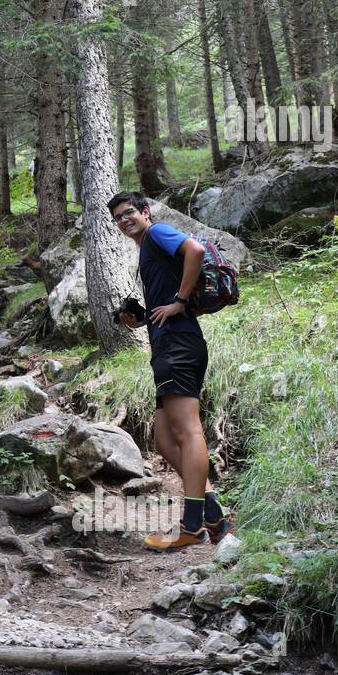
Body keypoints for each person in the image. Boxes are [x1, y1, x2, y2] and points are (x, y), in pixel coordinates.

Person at [108, 191, 233, 550]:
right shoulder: (147, 247)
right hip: (168, 345)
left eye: (128, 212)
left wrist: (179, 302)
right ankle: (214, 515)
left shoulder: (157, 233)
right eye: (117, 217)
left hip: (179, 343)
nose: (123, 220)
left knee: (189, 431)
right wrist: (140, 317)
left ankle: (192, 527)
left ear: (145, 212)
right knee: (164, 438)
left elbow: (193, 249)